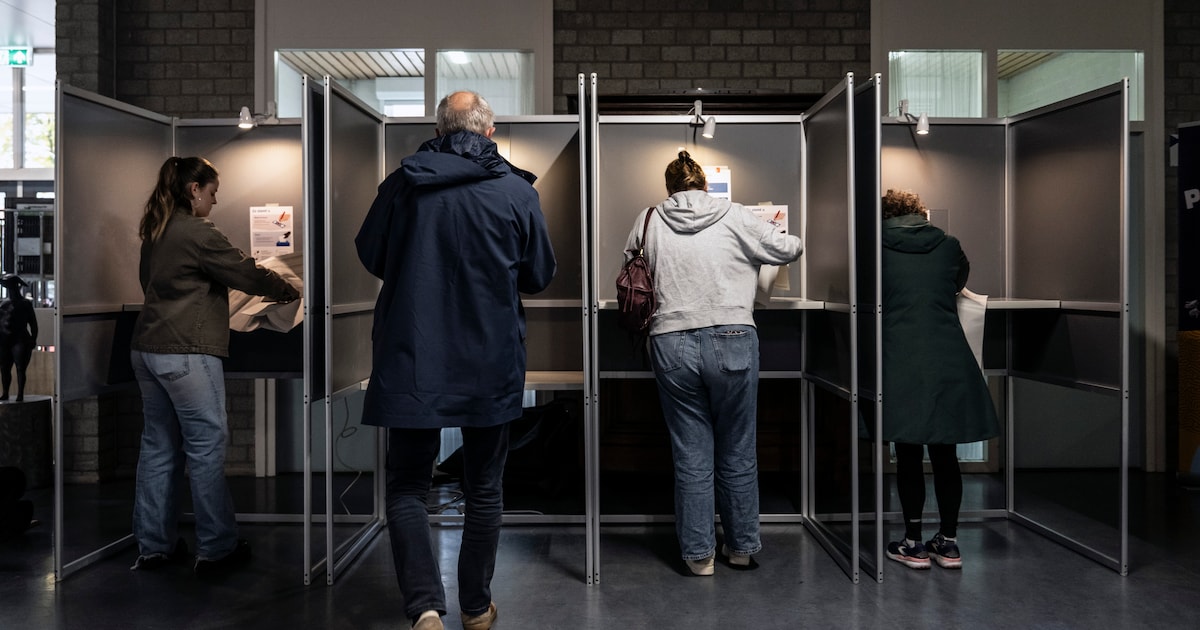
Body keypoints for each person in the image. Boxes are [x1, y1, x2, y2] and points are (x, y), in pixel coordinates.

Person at [355, 91, 555, 630]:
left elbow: (370, 254)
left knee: (407, 486)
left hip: (411, 354)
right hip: (489, 357)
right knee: (484, 485)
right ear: (489, 134)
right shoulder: (516, 191)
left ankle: (424, 608)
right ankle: (475, 607)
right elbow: (538, 275)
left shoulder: (401, 185)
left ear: (439, 131)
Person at [628, 150, 803, 576]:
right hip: (733, 338)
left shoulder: (648, 218)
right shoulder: (735, 214)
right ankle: (741, 548)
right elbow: (791, 248)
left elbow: (630, 269)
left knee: (691, 451)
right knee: (738, 445)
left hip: (670, 340)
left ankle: (699, 556)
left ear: (669, 188)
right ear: (705, 185)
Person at [130, 156, 299, 575]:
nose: (216, 199)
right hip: (186, 351)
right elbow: (245, 273)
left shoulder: (156, 229)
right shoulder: (197, 231)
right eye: (212, 191)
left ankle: (154, 547)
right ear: (194, 190)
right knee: (205, 448)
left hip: (146, 349)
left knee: (158, 447)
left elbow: (152, 284)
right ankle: (217, 547)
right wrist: (287, 288)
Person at [880, 188, 1000, 570]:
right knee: (946, 453)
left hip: (900, 357)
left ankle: (913, 542)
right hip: (948, 357)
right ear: (921, 213)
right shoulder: (949, 246)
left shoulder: (875, 247)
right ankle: (948, 543)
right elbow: (957, 281)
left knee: (909, 451)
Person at [0, 274, 38, 402]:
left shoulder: (25, 304)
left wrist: (33, 338)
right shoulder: (3, 304)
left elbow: (33, 323)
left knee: (20, 368)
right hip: (5, 340)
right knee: (4, 368)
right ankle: (5, 392)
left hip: (20, 340)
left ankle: (20, 393)